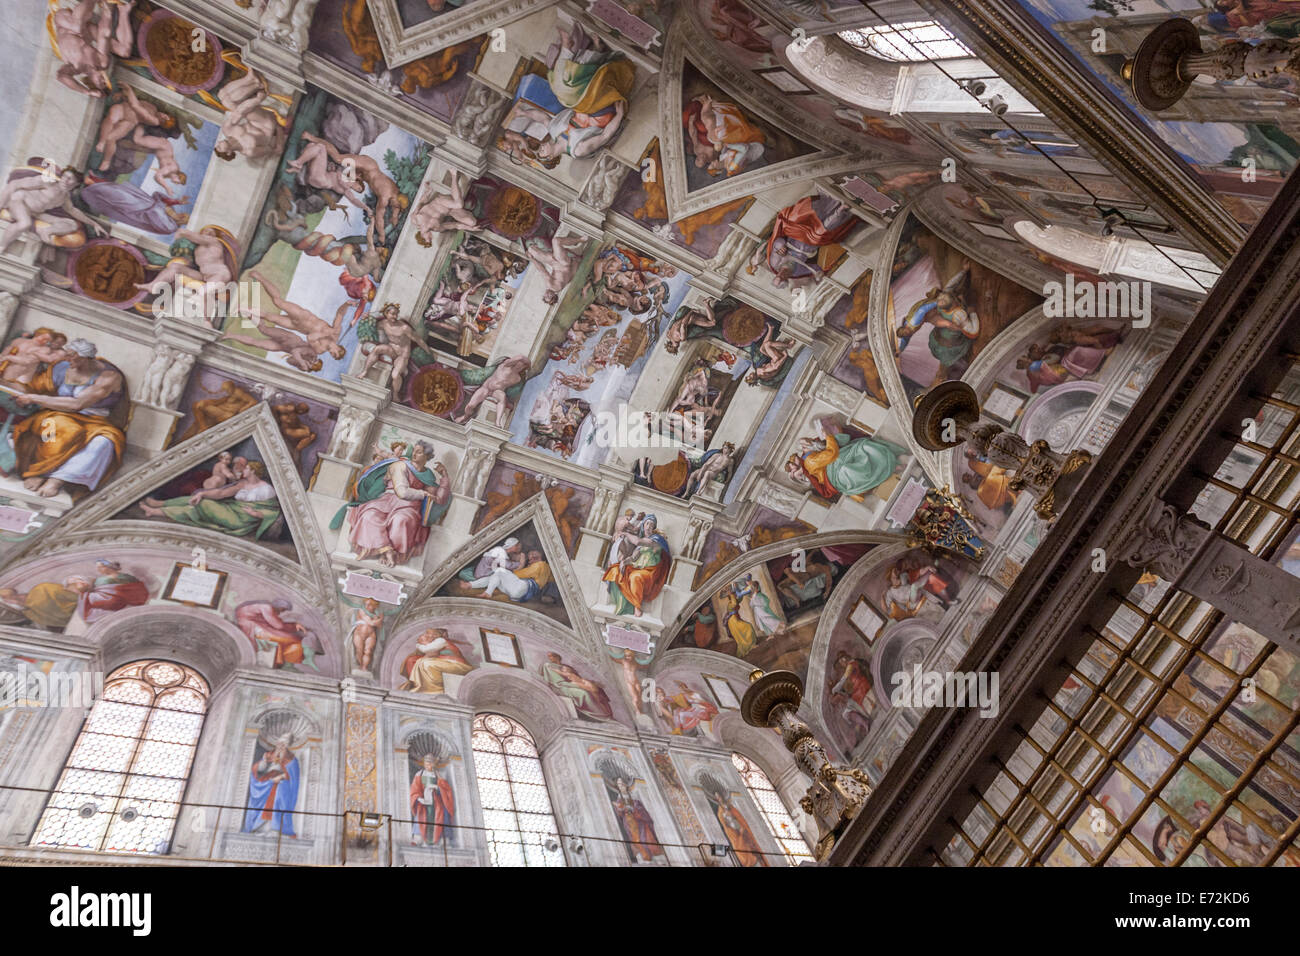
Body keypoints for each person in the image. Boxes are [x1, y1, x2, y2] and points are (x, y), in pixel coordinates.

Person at [10, 338, 127, 498]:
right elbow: (36, 388)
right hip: (56, 414)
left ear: (85, 357)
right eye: (67, 354)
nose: (67, 358)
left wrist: (34, 398)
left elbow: (77, 404)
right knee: (54, 428)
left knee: (104, 442)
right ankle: (41, 471)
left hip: (95, 421)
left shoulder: (109, 376)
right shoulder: (61, 368)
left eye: (72, 356)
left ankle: (58, 479)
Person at [331, 440, 449, 567]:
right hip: (386, 500)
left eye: (419, 452)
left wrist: (444, 476)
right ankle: (386, 550)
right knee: (369, 516)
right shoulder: (400, 465)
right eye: (414, 451)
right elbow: (402, 491)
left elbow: (439, 499)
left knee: (401, 520)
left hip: (409, 506)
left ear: (427, 456)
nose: (414, 454)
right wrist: (423, 493)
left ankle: (388, 553)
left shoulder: (428, 475)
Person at [140, 459, 283, 539]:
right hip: (231, 509)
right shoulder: (242, 484)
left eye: (245, 468)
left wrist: (256, 514)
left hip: (240, 520)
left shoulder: (266, 489)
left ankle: (157, 511)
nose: (242, 470)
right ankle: (159, 506)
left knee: (203, 505)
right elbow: (221, 494)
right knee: (198, 498)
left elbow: (273, 511)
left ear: (253, 470)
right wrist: (202, 493)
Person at [786, 420, 906, 503]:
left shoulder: (812, 452)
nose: (811, 441)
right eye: (808, 442)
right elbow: (831, 455)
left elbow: (830, 452)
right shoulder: (809, 461)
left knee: (863, 446)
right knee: (849, 469)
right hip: (833, 476)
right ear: (805, 447)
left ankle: (890, 463)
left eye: (808, 440)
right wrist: (828, 437)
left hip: (837, 461)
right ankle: (887, 469)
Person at [0, 165, 105, 255]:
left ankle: (46, 231)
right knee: (25, 223)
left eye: (70, 179)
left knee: (72, 224)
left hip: (35, 212)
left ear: (76, 184)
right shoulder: (47, 182)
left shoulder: (64, 197)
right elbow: (14, 184)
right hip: (19, 201)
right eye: (64, 177)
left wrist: (94, 224)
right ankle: (2, 246)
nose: (65, 180)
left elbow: (72, 211)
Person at [602, 514, 672, 617]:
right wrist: (624, 562)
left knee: (635, 577)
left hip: (651, 572)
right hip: (638, 569)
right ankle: (620, 604)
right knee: (615, 570)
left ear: (654, 528)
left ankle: (637, 607)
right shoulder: (642, 542)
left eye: (652, 525)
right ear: (643, 525)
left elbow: (638, 541)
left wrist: (625, 533)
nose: (648, 527)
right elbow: (633, 558)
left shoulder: (656, 539)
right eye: (647, 523)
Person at [214, 67, 288, 162]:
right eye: (219, 147)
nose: (218, 143)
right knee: (228, 102)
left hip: (253, 118)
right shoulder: (249, 152)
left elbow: (238, 113)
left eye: (217, 145)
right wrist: (279, 129)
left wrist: (254, 102)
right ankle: (254, 83)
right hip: (266, 124)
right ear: (228, 152)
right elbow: (275, 150)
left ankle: (252, 80)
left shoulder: (227, 131)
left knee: (223, 96)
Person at [234, 597, 313, 669]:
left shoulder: (263, 606)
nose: (281, 613)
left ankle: (283, 661)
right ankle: (289, 663)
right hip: (253, 627)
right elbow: (278, 625)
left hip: (254, 626)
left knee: (289, 639)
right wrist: (294, 626)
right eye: (283, 610)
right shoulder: (267, 607)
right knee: (293, 639)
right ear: (280, 607)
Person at [242, 739, 300, 836]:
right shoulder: (269, 755)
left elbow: (293, 775)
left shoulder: (290, 759)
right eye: (280, 744)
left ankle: (275, 828)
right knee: (265, 803)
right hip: (267, 782)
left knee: (277, 800)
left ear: (288, 745)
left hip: (280, 784)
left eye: (284, 744)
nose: (281, 746)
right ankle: (260, 829)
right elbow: (259, 769)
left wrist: (281, 776)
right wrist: (264, 762)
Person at [399, 628, 474, 694]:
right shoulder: (433, 642)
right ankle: (417, 683)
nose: (427, 635)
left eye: (429, 633)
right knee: (416, 661)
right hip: (444, 662)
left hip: (457, 664)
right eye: (426, 633)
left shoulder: (441, 640)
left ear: (436, 634)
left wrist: (419, 644)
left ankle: (434, 688)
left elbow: (428, 650)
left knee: (426, 663)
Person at [539, 652, 613, 719]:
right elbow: (559, 682)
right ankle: (600, 714)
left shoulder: (565, 667)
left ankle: (605, 713)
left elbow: (575, 676)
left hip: (580, 682)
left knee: (597, 694)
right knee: (584, 693)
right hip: (563, 686)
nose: (550, 658)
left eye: (551, 656)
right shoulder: (548, 665)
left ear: (557, 657)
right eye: (549, 657)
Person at [707, 786, 768, 867]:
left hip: (743, 831)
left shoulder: (731, 807)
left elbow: (740, 818)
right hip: (735, 834)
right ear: (716, 799)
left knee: (752, 848)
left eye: (719, 796)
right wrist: (736, 831)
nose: (719, 798)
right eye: (717, 797)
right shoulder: (720, 812)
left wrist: (742, 827)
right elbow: (726, 826)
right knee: (742, 851)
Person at [609, 776, 664, 862]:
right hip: (629, 821)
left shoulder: (633, 796)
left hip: (640, 820)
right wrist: (621, 807)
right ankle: (644, 856)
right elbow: (619, 813)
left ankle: (655, 854)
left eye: (622, 783)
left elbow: (640, 807)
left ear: (626, 784)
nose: (621, 785)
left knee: (647, 835)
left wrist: (634, 809)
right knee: (636, 838)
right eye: (619, 784)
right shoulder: (620, 798)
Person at [409, 753, 454, 846]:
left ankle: (443, 839)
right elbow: (414, 789)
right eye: (427, 762)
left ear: (434, 764)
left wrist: (437, 788)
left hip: (436, 802)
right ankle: (419, 838)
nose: (429, 764)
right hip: (424, 802)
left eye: (431, 762)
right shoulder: (419, 774)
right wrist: (418, 798)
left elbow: (446, 789)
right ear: (424, 763)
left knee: (442, 816)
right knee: (421, 817)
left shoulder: (438, 775)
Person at [348, 598, 384, 672]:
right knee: (359, 650)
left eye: (370, 605)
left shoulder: (376, 615)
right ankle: (360, 665)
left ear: (375, 606)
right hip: (359, 634)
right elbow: (371, 623)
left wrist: (377, 620)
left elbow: (379, 626)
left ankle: (364, 668)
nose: (367, 606)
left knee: (368, 651)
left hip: (371, 635)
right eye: (366, 604)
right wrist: (380, 619)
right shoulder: (362, 611)